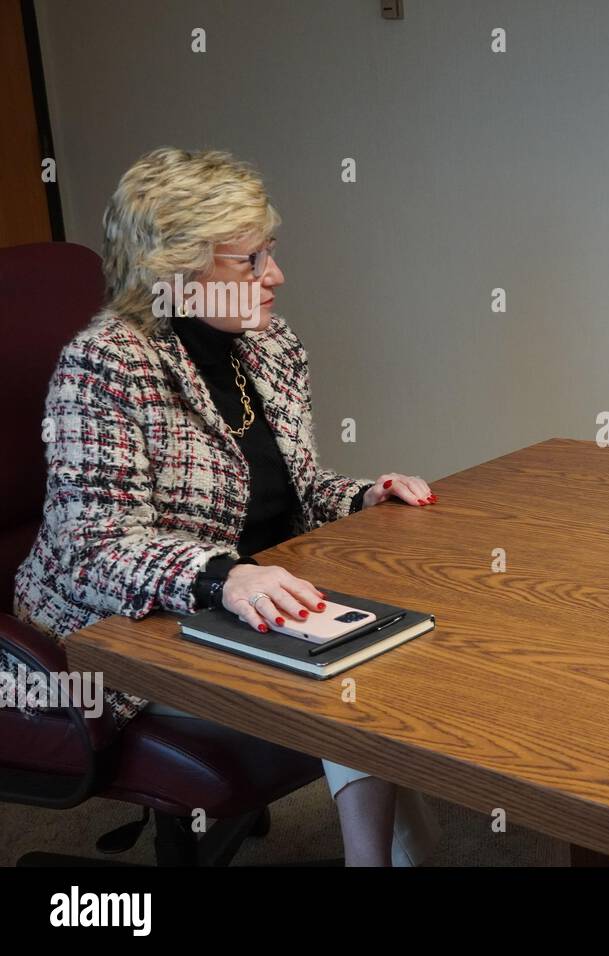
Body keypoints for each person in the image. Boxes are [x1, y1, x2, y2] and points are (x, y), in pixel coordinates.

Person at [9, 147, 439, 865]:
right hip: (119, 631)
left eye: (269, 253)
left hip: (248, 606)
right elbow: (93, 548)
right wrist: (220, 577)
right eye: (250, 261)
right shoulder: (103, 366)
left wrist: (364, 496)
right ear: (174, 274)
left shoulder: (268, 346)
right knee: (353, 680)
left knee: (394, 641)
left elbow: (292, 493)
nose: (276, 276)